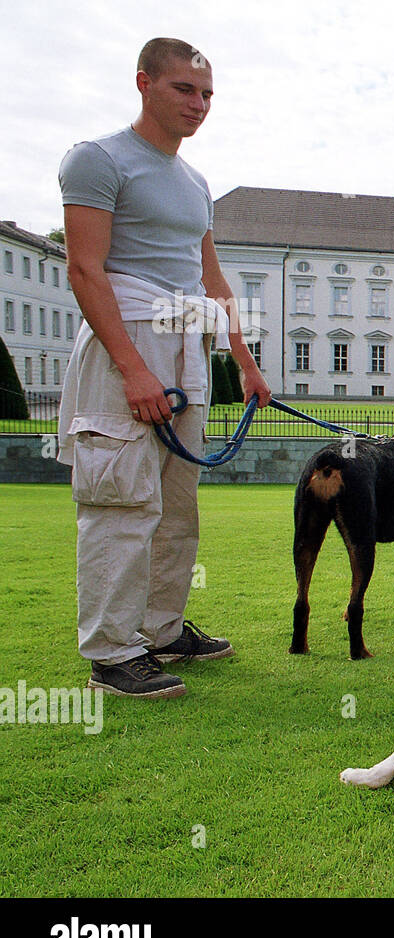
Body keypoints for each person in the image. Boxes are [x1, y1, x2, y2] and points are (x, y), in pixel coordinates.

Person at [57, 38, 271, 699]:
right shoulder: (98, 160)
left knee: (177, 508)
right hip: (133, 341)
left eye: (207, 94)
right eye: (184, 89)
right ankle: (113, 657)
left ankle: (161, 628)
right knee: (121, 499)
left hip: (187, 348)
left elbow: (211, 280)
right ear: (145, 82)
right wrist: (132, 370)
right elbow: (85, 268)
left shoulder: (196, 184)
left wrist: (245, 360)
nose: (198, 104)